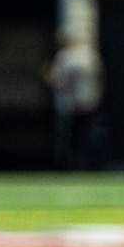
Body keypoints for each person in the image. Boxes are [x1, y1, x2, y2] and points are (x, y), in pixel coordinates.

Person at [45, 32, 103, 170]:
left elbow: (60, 82)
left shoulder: (64, 57)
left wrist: (47, 76)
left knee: (70, 138)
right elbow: (99, 79)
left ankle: (71, 166)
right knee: (87, 135)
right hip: (90, 102)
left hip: (71, 104)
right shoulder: (89, 55)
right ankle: (88, 165)